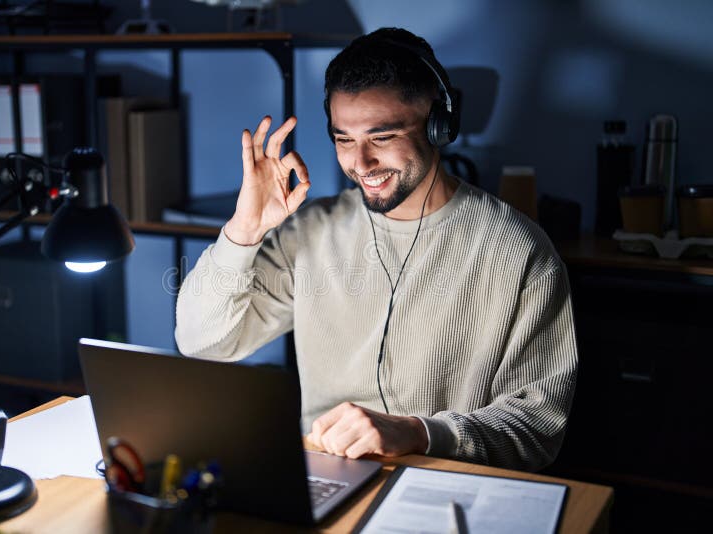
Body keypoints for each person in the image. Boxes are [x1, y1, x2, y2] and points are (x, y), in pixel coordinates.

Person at [175, 27, 577, 472]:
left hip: (443, 482)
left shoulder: (518, 252)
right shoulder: (311, 231)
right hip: (326, 476)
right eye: (344, 139)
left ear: (439, 126)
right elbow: (201, 343)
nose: (360, 164)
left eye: (382, 137)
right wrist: (243, 230)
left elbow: (538, 431)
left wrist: (419, 432)